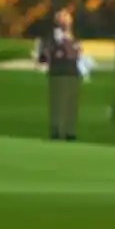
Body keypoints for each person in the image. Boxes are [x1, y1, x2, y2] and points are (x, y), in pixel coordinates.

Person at [37, 9, 84, 141]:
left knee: (71, 104)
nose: (67, 20)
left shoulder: (73, 36)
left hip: (73, 72)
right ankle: (57, 130)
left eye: (68, 18)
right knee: (58, 103)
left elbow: (77, 52)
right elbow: (44, 55)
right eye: (64, 18)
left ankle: (70, 131)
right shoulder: (53, 37)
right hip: (59, 72)